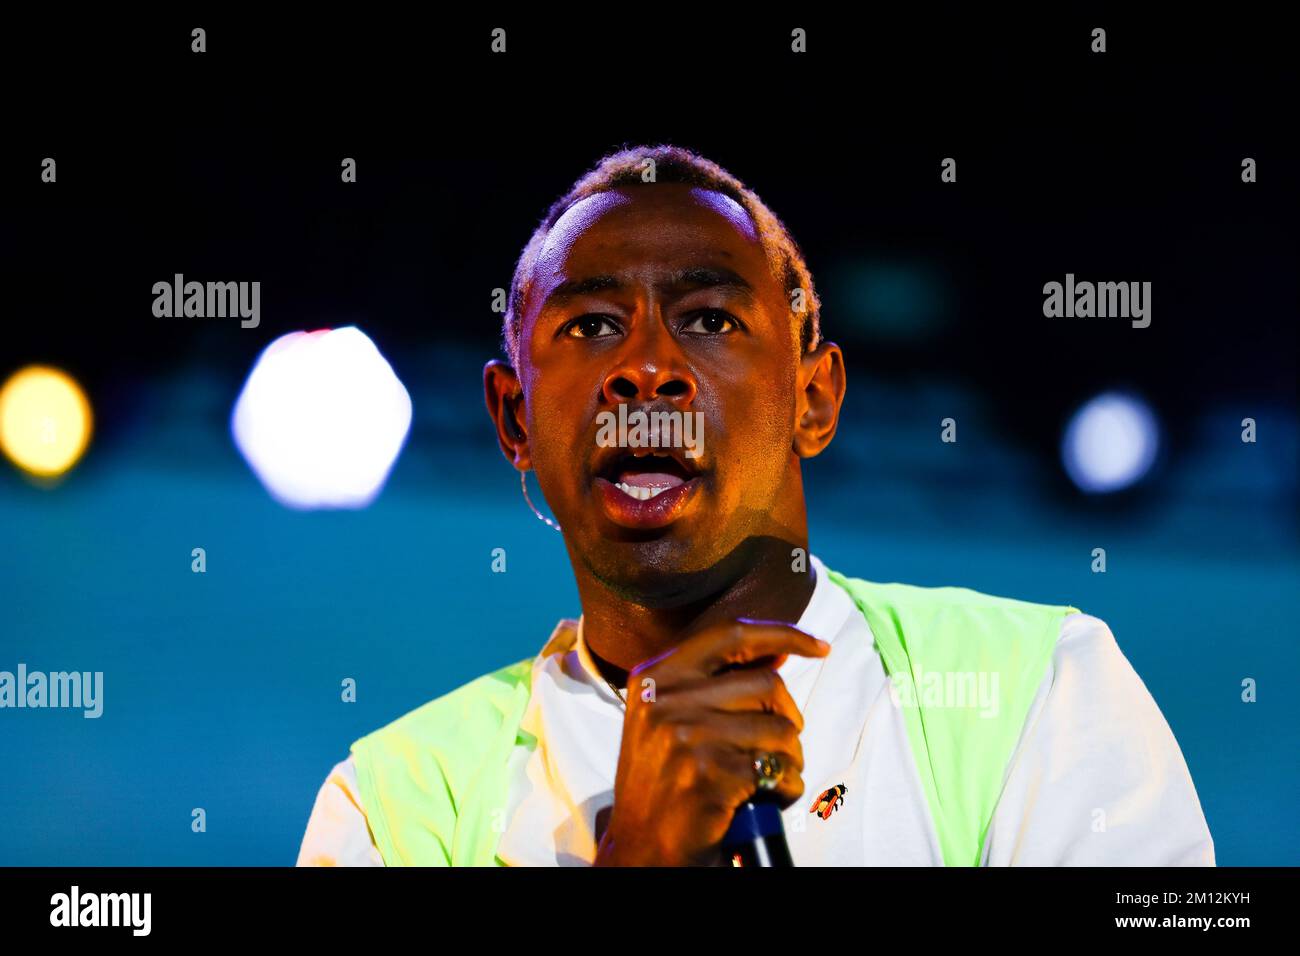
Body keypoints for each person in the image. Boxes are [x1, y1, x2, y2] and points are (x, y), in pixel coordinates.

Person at [297, 145, 1215, 866]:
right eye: (590, 325)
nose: (646, 367)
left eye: (708, 319)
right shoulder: (393, 804)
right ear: (514, 419)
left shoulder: (1041, 690)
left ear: (813, 399)